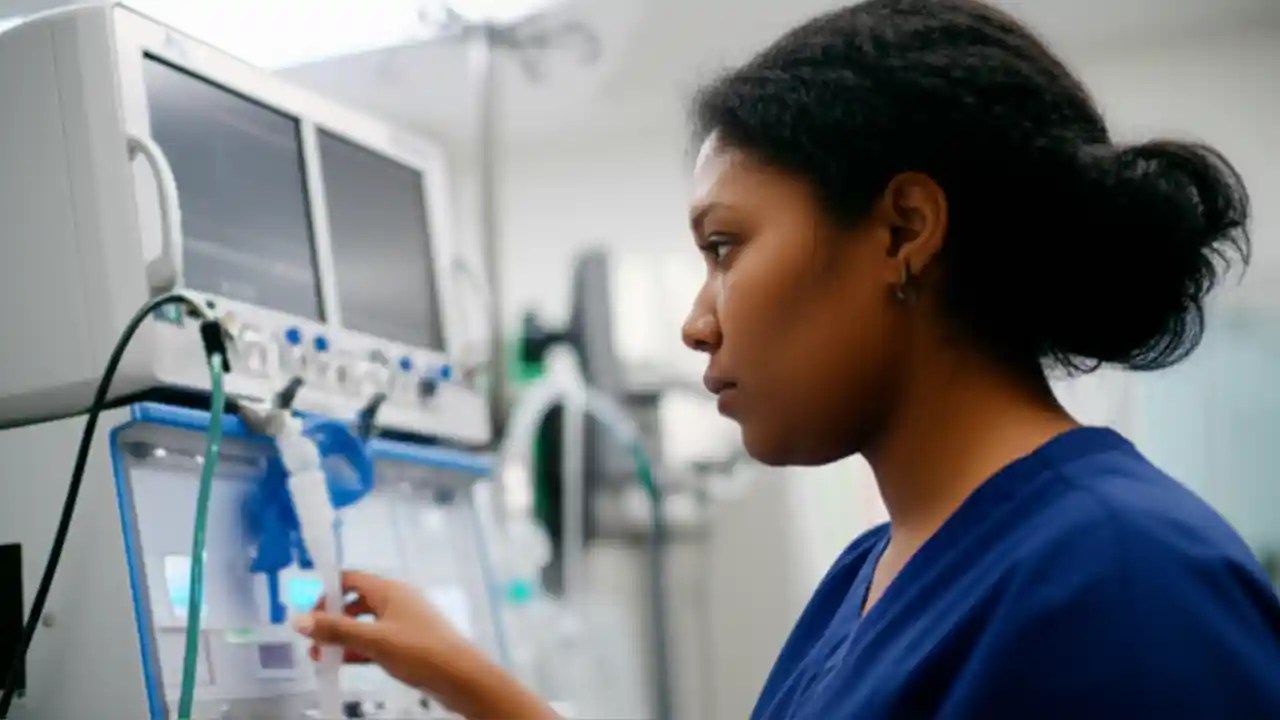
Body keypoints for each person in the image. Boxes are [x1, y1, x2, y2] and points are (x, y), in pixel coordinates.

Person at [294, 0, 1280, 716]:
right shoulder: (875, 571)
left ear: (901, 229)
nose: (696, 321)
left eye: (724, 249)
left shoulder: (1119, 579)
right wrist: (463, 678)